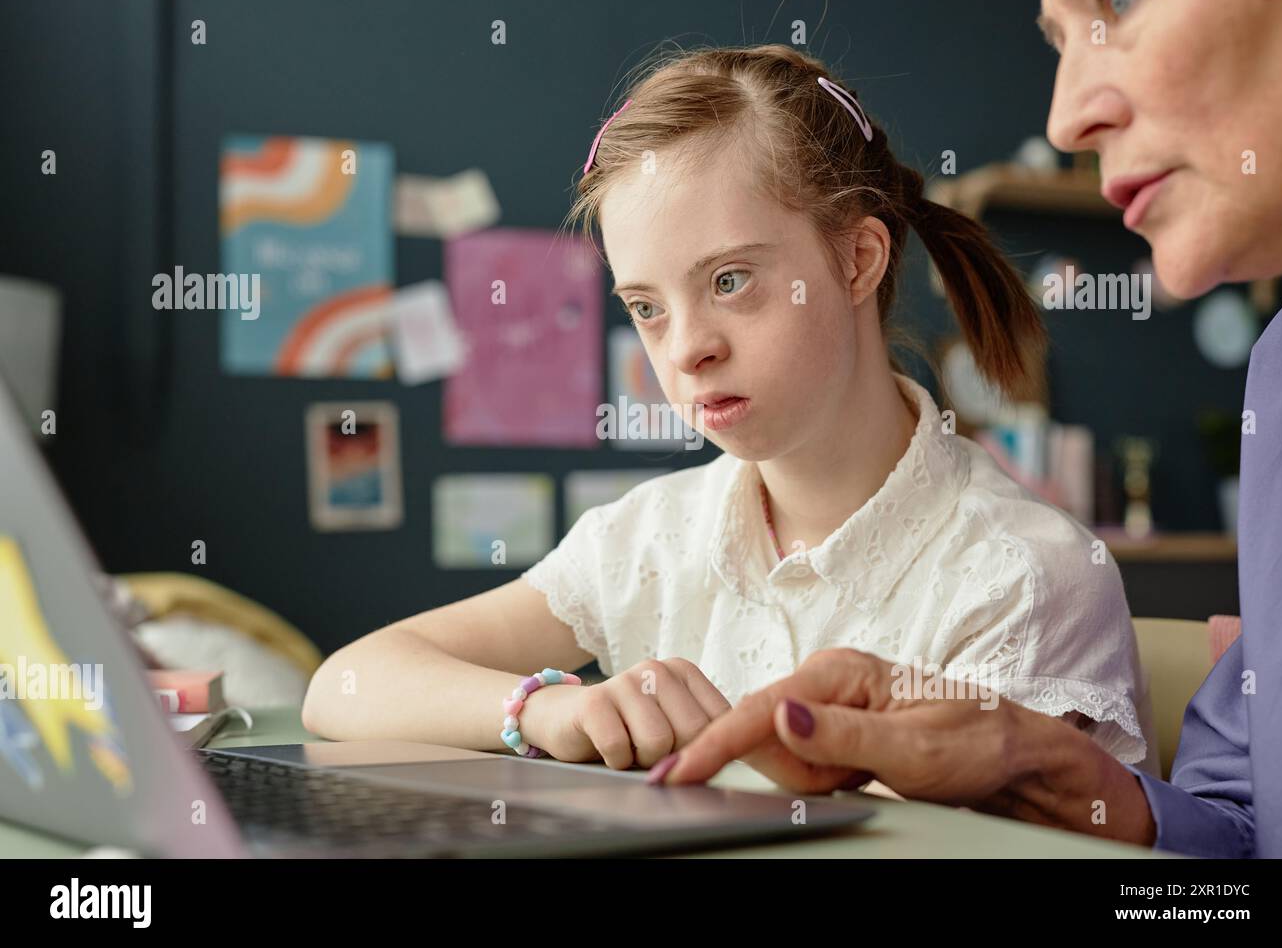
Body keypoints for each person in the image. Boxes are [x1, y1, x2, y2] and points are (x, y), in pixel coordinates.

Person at [303, 43, 1156, 774]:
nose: (685, 349)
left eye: (730, 281)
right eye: (646, 306)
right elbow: (344, 684)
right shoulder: (646, 538)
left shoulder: (1025, 578)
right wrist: (544, 708)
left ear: (858, 261)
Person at [655, 0, 1282, 860]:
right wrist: (1058, 780)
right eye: (1060, 39)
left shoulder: (1028, 567)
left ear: (860, 263)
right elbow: (1241, 849)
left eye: (1120, 0)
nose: (1068, 117)